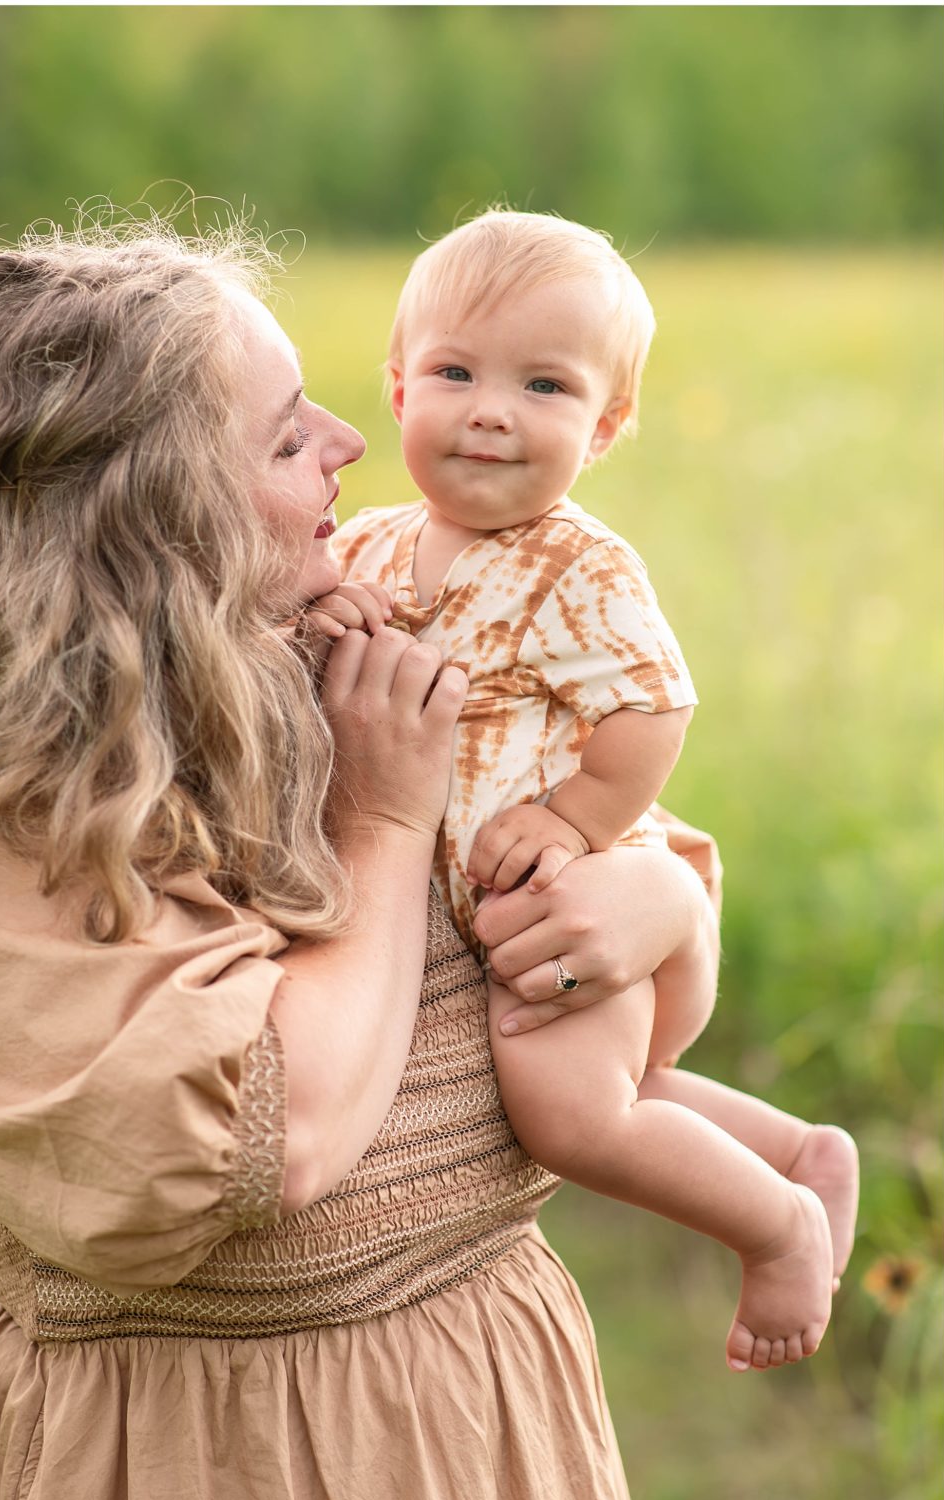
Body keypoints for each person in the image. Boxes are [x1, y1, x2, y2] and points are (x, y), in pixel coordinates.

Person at [0, 217, 723, 1500]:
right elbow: (270, 1140)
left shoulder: (310, 662)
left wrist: (668, 901)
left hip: (470, 1402)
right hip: (202, 1457)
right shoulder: (12, 809)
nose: (353, 441)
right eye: (286, 435)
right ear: (152, 506)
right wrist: (386, 822)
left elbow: (595, 906)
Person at [326, 209, 859, 1375]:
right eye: (455, 373)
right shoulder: (365, 544)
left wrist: (572, 821)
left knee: (572, 1117)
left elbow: (651, 711)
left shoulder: (579, 564)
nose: (491, 410)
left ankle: (776, 1226)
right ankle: (798, 1153)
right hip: (472, 905)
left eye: (545, 386)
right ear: (399, 387)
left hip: (559, 901)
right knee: (634, 1084)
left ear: (606, 424)